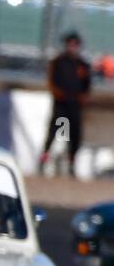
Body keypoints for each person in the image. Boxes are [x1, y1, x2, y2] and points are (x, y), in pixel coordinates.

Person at [40, 31, 92, 177]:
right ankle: (43, 159)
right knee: (53, 133)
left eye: (75, 44)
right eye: (70, 43)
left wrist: (83, 98)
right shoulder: (58, 62)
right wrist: (58, 93)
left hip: (75, 105)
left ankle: (71, 164)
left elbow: (87, 86)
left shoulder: (83, 64)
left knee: (74, 136)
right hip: (60, 104)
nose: (72, 47)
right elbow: (51, 81)